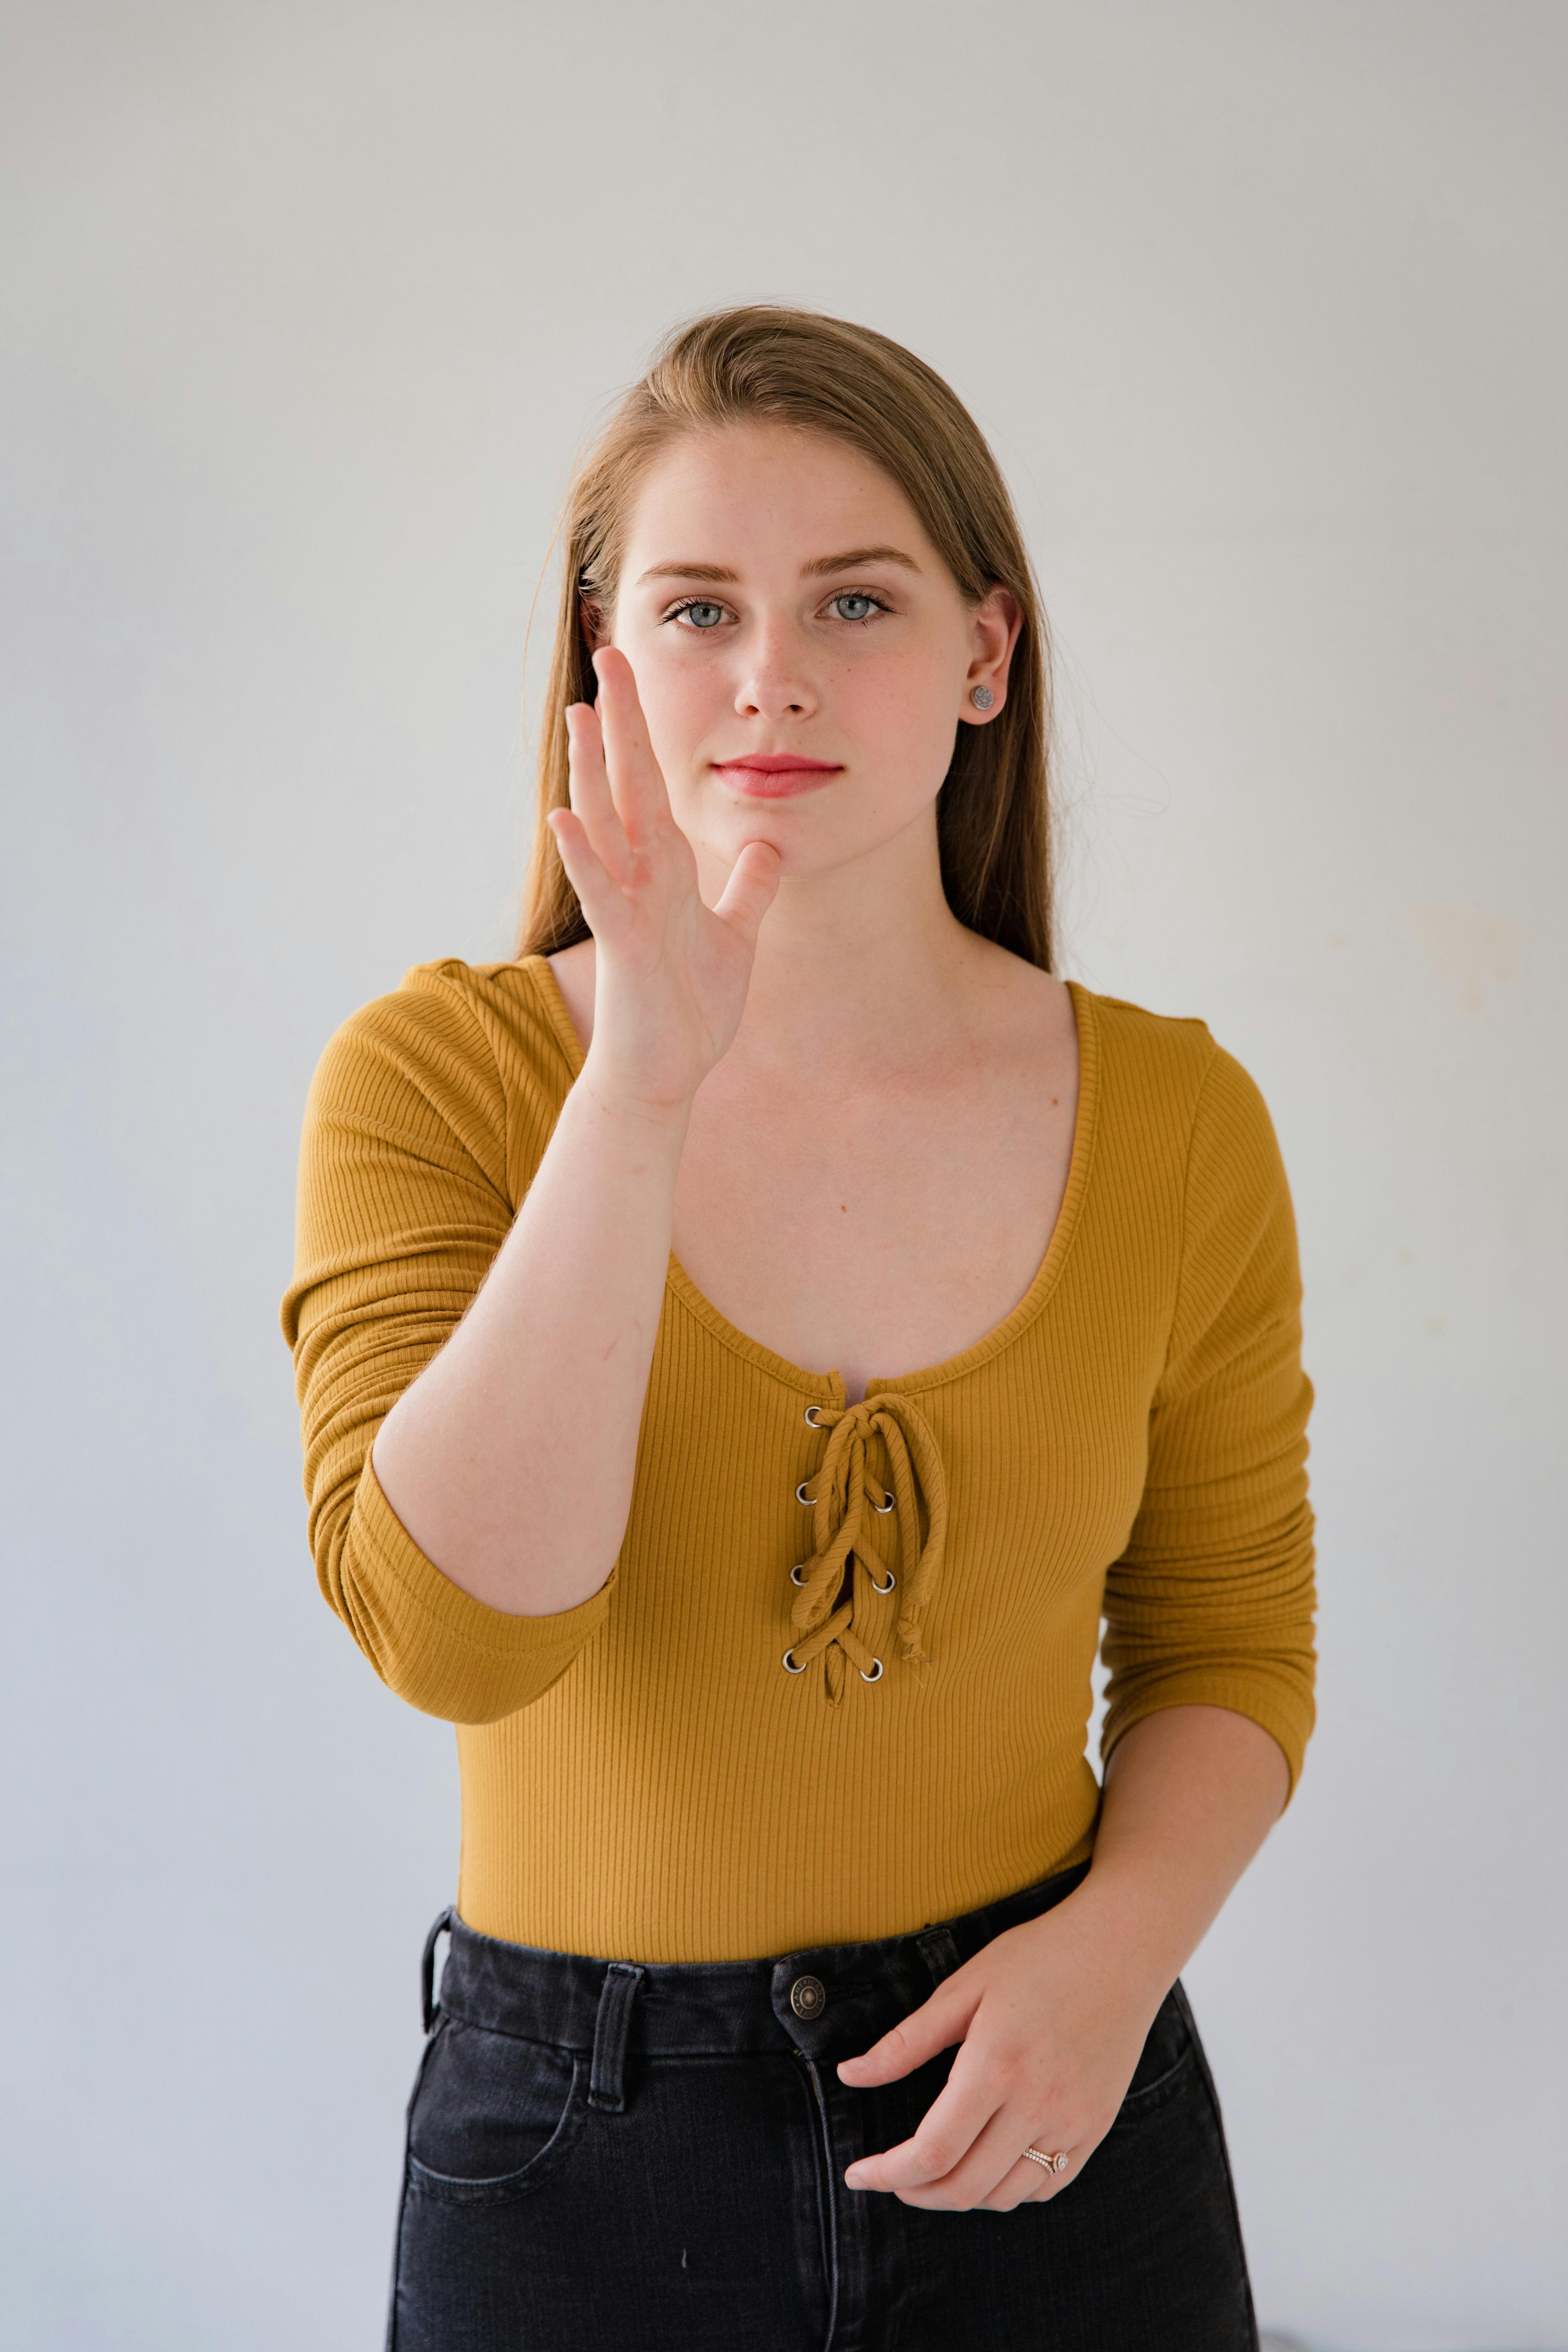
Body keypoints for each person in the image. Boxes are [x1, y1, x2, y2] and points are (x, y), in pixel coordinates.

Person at [282, 305, 1315, 2352]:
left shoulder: (1181, 1119)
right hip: (575, 2157)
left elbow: (1228, 1642)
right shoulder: (436, 1084)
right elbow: (456, 1640)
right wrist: (639, 1092)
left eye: (857, 599)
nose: (772, 675)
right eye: (697, 610)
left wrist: (1115, 1955)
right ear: (602, 666)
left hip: (1049, 2105)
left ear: (985, 654)